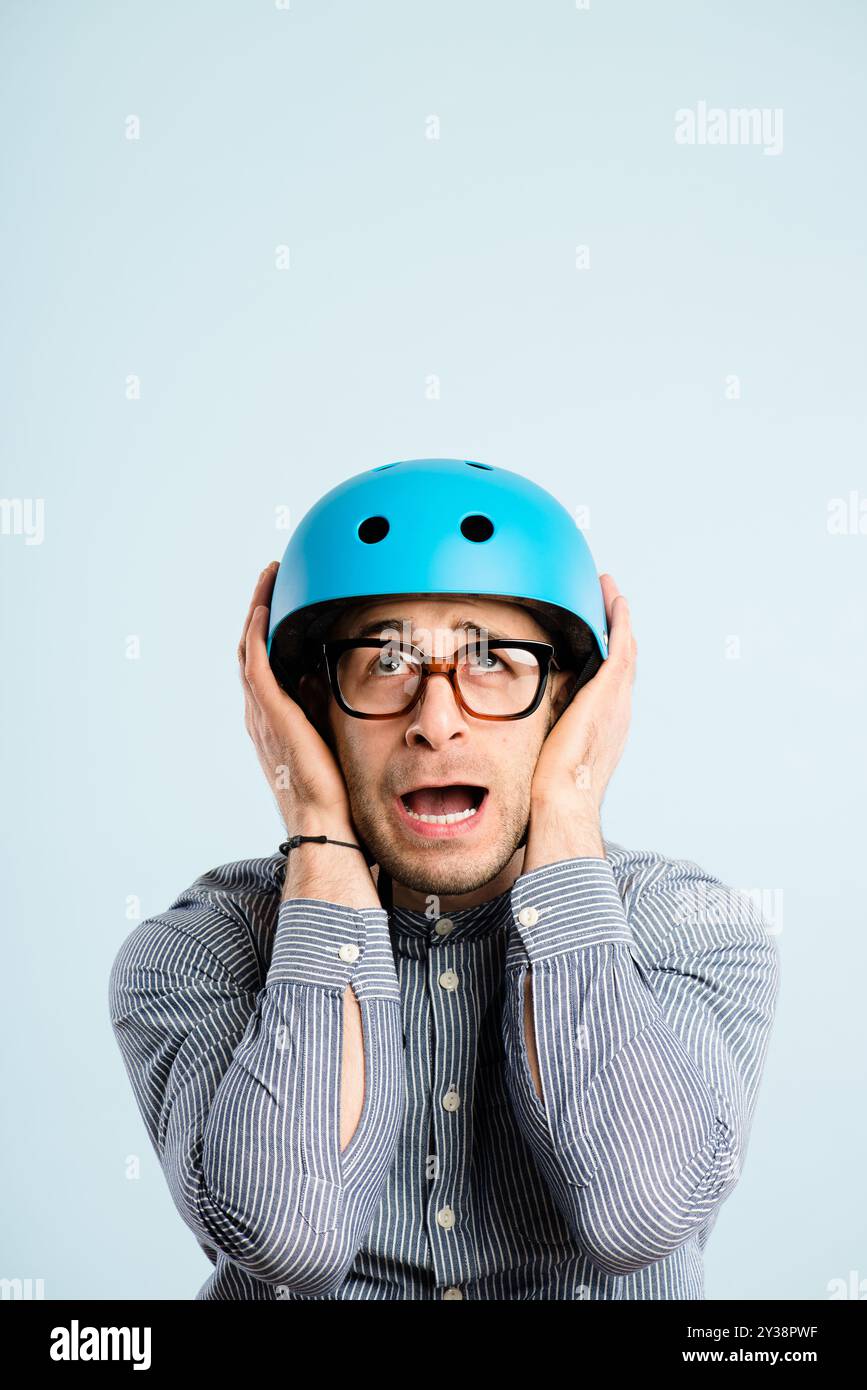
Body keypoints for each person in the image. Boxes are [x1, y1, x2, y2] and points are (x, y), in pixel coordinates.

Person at [109, 457, 779, 1300]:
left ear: (570, 701)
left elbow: (637, 1212)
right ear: (312, 707)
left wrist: (568, 808)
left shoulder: (693, 927)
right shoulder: (192, 953)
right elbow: (285, 1236)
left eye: (492, 661)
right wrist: (316, 826)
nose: (435, 722)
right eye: (384, 664)